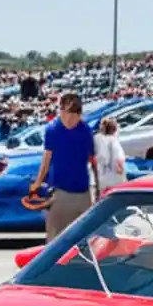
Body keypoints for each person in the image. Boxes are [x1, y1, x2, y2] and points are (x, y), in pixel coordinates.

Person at [31, 93, 98, 241]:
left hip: (83, 192)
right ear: (61, 111)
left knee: (82, 239)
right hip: (59, 191)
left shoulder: (86, 131)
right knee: (55, 239)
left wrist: (98, 189)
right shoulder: (53, 129)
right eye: (66, 113)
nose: (69, 119)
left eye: (74, 115)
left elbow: (93, 160)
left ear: (79, 114)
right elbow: (46, 160)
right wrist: (37, 183)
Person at [93, 117, 126, 195]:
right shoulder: (113, 141)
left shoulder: (97, 138)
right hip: (114, 178)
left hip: (103, 176)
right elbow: (118, 157)